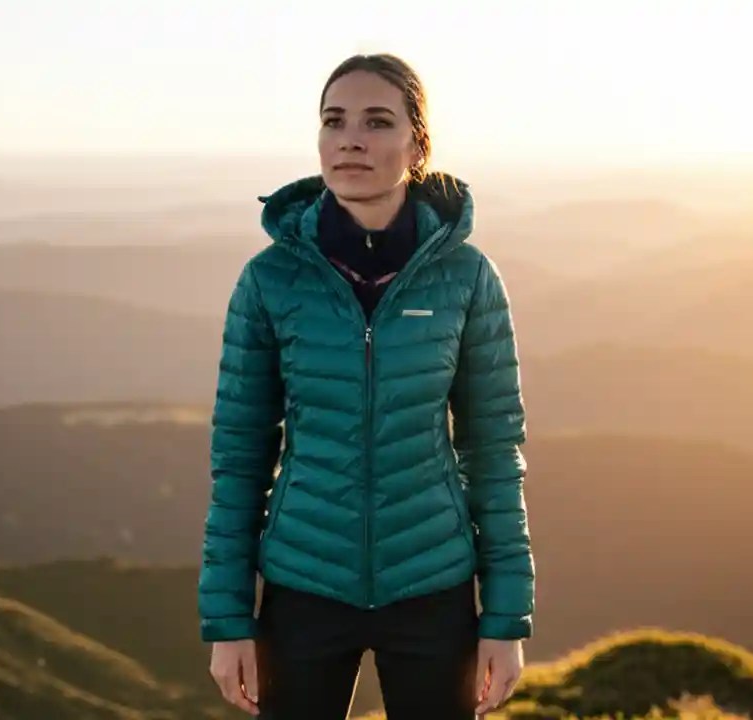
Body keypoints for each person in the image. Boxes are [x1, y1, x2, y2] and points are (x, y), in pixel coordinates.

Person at [198, 53, 534, 719]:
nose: (350, 137)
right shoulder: (269, 281)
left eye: (377, 121)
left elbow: (494, 452)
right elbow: (238, 458)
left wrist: (505, 618)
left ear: (417, 144)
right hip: (302, 587)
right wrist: (228, 619)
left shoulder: (468, 280)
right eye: (334, 120)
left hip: (433, 587)